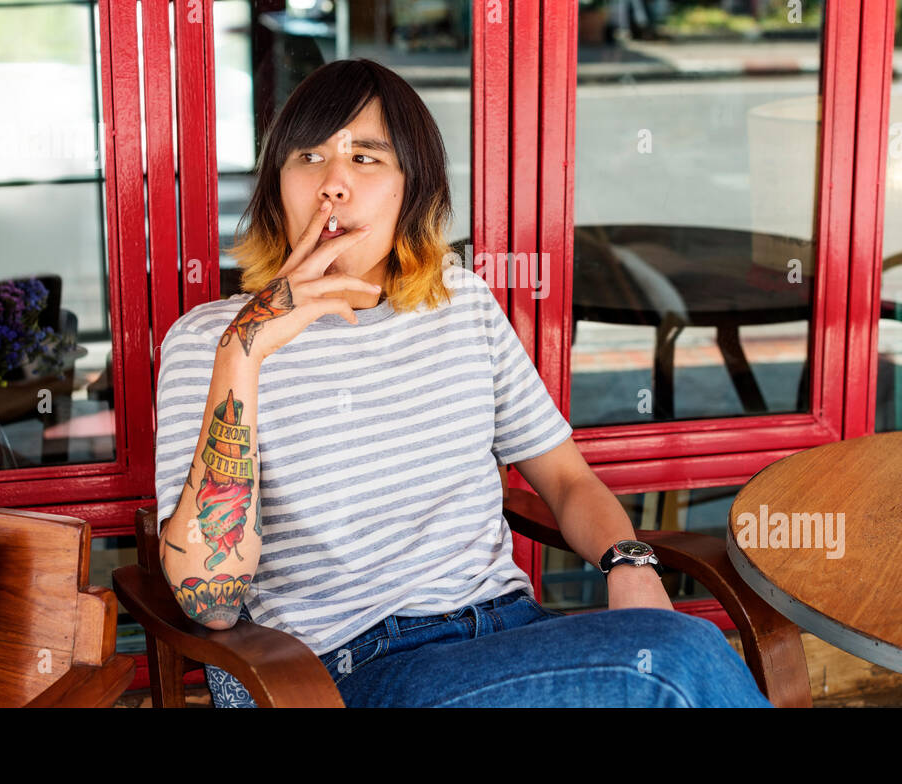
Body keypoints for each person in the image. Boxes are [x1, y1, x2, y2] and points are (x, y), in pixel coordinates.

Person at [153, 58, 773, 708]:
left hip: (507, 636)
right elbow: (214, 601)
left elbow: (565, 478)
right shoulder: (211, 343)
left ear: (411, 190)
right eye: (309, 156)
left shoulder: (463, 306)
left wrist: (630, 561)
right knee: (675, 663)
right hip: (348, 672)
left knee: (670, 658)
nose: (333, 184)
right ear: (276, 186)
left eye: (366, 158)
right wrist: (245, 350)